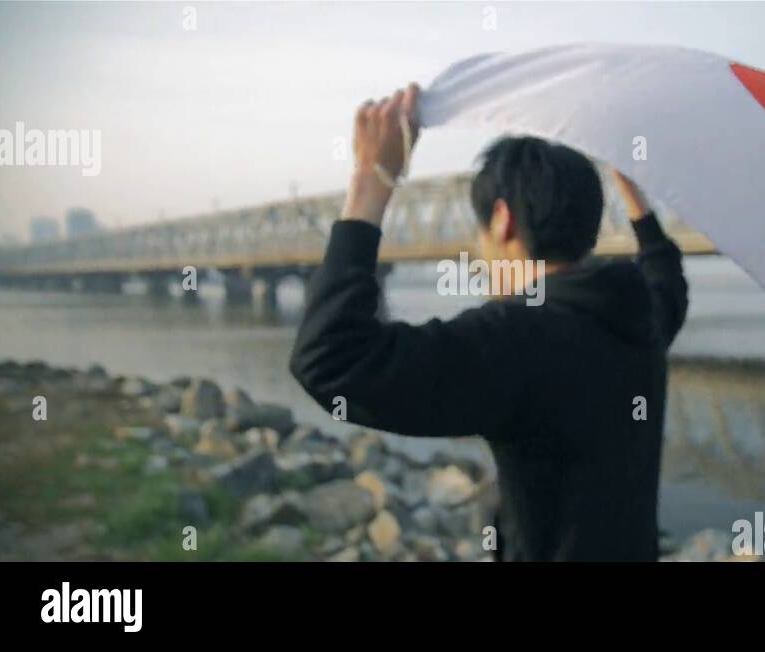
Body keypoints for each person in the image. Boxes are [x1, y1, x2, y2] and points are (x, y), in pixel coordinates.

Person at [290, 83, 689, 561]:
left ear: (501, 221)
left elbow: (331, 360)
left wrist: (370, 182)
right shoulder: (639, 316)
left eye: (479, 234)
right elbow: (667, 278)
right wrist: (639, 204)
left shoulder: (515, 340)